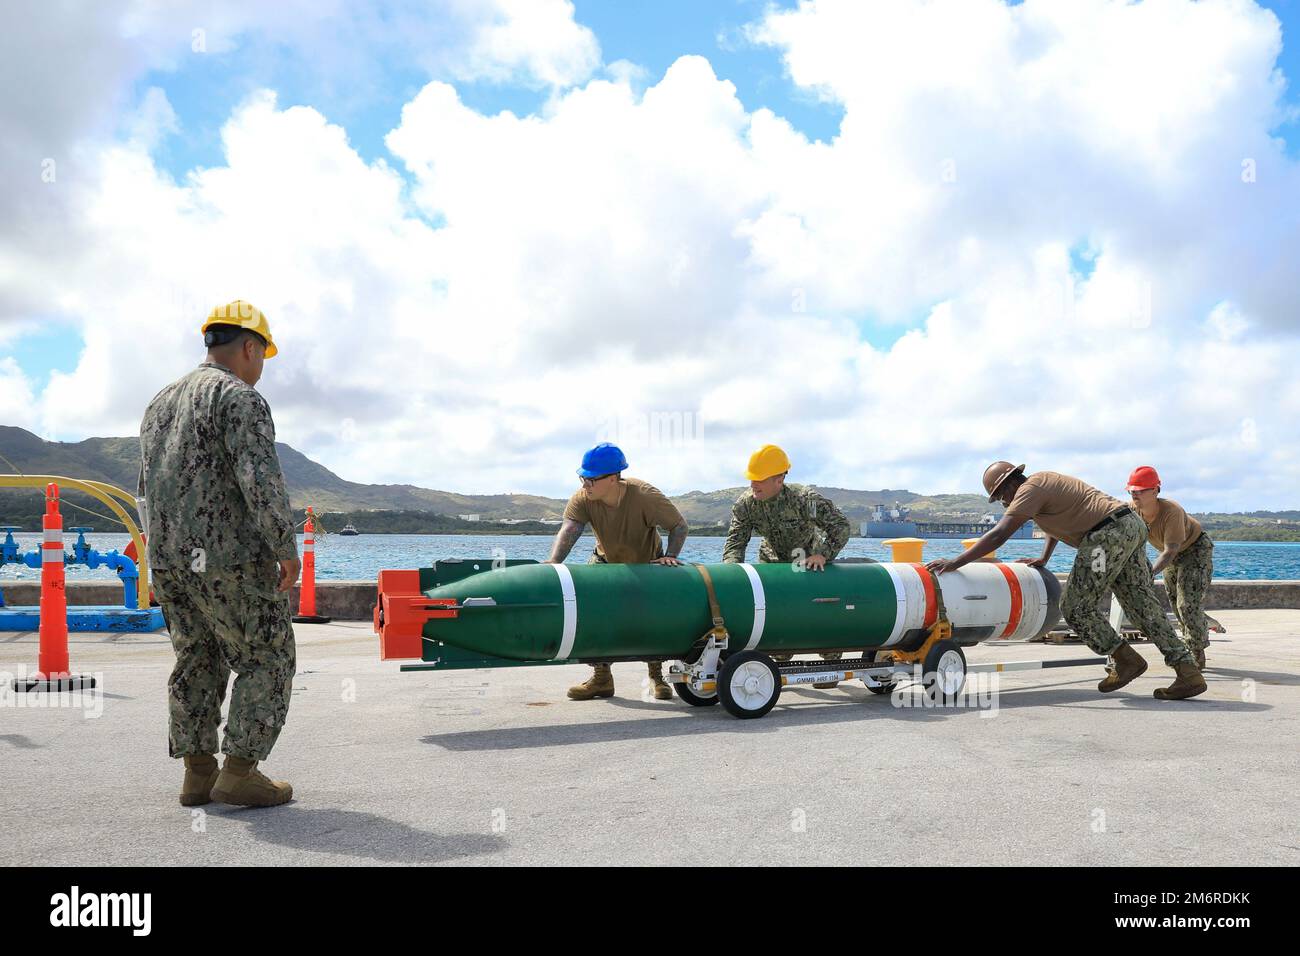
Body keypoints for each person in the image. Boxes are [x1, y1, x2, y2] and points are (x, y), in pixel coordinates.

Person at [138, 300, 300, 807]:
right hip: (228, 560)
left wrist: (157, 558)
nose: (261, 369)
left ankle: (197, 773)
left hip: (169, 560)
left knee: (196, 658)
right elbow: (260, 481)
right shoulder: (238, 398)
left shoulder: (161, 401)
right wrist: (285, 547)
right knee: (267, 656)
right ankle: (240, 772)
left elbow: (147, 488)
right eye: (262, 357)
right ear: (249, 348)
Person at [925, 461, 1205, 700]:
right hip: (1129, 526)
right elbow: (1055, 526)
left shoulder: (1028, 490)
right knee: (1142, 607)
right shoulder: (1044, 484)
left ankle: (1125, 659)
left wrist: (956, 562)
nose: (1004, 503)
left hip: (1106, 536)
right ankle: (1187, 672)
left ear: (1010, 484)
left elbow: (999, 534)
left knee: (1075, 607)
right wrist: (1045, 558)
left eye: (1001, 496)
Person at [544, 443, 689, 701]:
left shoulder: (645, 495)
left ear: (613, 478)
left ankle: (656, 676)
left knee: (652, 621)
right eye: (583, 478)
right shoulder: (583, 498)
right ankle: (602, 679)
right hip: (605, 562)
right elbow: (570, 530)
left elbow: (679, 526)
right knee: (593, 616)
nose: (585, 484)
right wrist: (553, 562)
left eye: (591, 479)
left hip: (648, 564)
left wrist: (670, 557)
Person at [722, 444, 851, 686]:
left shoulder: (805, 499)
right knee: (775, 617)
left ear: (779, 479)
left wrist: (823, 554)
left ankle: (830, 663)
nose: (753, 485)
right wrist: (730, 572)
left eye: (759, 479)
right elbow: (735, 542)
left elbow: (841, 526)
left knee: (821, 613)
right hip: (772, 563)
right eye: (751, 479)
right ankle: (780, 659)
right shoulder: (746, 504)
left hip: (809, 563)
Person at [1127, 465, 1214, 669]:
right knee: (1175, 603)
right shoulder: (1132, 511)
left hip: (1194, 549)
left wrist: (1148, 573)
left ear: (1156, 490)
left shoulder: (1171, 511)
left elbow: (1170, 551)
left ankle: (1196, 651)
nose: (1134, 494)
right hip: (1171, 554)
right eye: (1132, 490)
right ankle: (1196, 631)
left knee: (1186, 603)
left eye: (1140, 490)